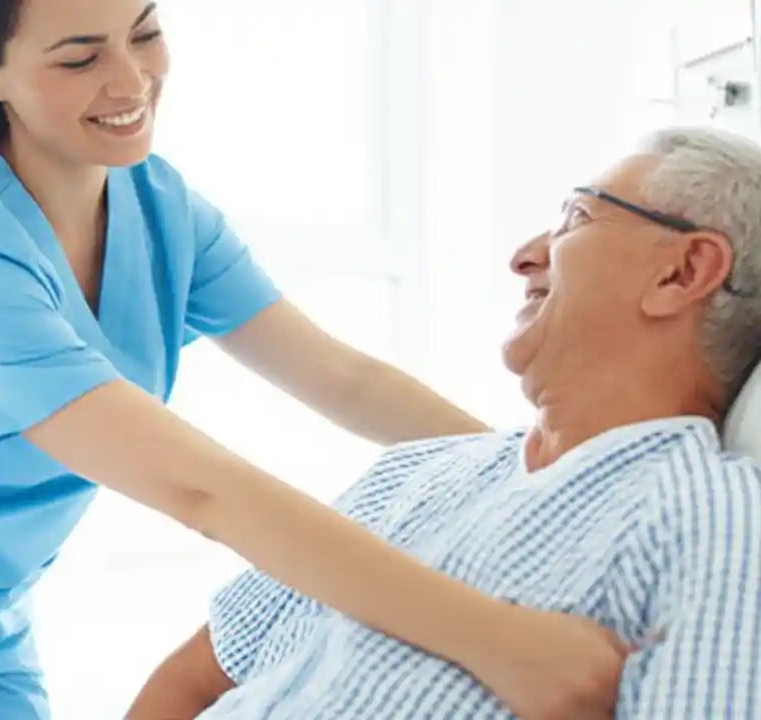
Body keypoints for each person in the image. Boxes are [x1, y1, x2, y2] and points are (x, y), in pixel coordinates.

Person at [0, 1, 627, 718]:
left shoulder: (161, 208)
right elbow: (199, 489)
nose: (130, 79)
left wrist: (561, 474)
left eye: (144, 31)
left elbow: (345, 381)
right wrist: (500, 640)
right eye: (80, 55)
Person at [128, 125, 761, 719]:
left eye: (576, 219)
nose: (524, 257)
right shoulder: (421, 468)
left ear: (683, 272)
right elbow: (196, 677)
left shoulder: (710, 523)